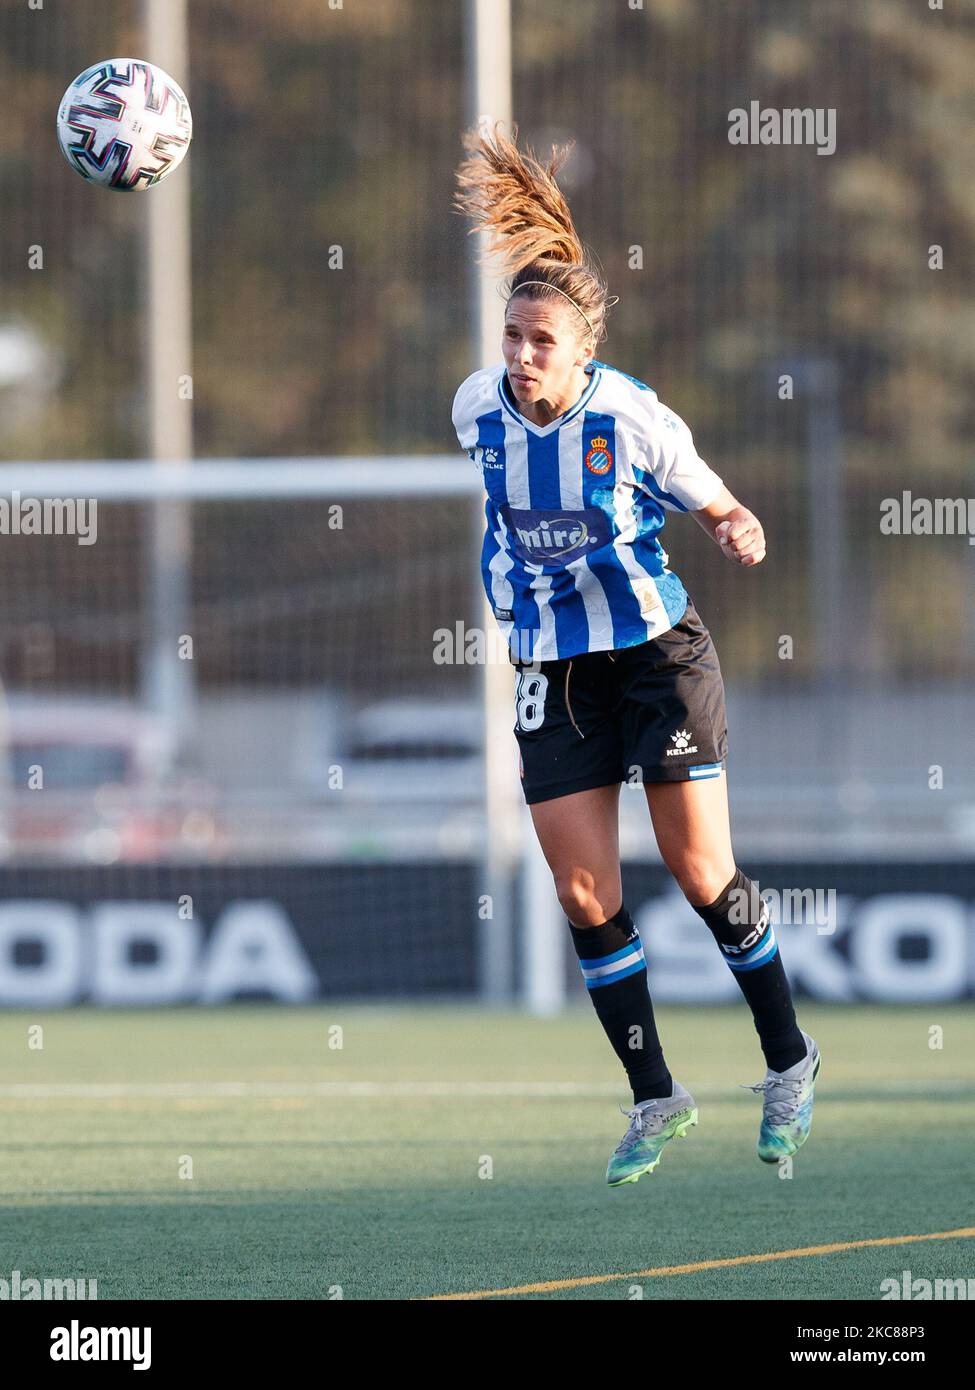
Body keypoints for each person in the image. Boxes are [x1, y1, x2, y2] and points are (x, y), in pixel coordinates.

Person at [451, 122, 820, 1187]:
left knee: (702, 874)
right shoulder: (475, 408)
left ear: (583, 349)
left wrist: (737, 527)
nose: (520, 357)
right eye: (512, 334)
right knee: (580, 890)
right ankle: (656, 1095)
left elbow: (719, 501)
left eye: (540, 342)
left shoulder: (633, 416)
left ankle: (789, 1061)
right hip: (550, 669)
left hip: (657, 654)